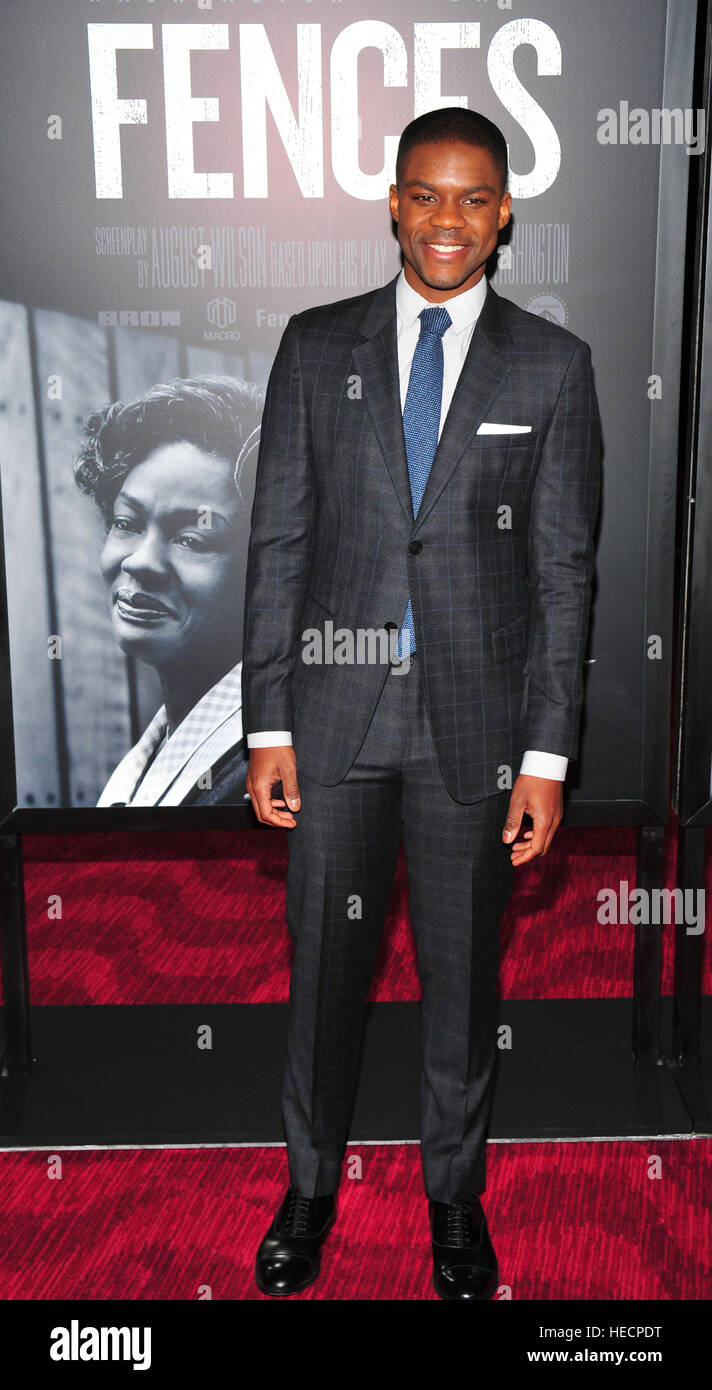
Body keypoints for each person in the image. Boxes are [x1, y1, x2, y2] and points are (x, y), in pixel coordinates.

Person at [241, 108, 602, 1300]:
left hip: (477, 735)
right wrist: (268, 725)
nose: (448, 219)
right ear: (392, 204)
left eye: (473, 198)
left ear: (504, 216)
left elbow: (562, 576)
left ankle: (454, 1198)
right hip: (333, 725)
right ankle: (309, 1188)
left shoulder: (552, 366)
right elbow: (279, 539)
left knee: (462, 982)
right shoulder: (313, 343)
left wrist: (548, 755)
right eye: (426, 195)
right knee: (324, 978)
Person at [73, 376, 262, 807]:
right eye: (127, 522)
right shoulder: (165, 742)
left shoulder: (271, 775)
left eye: (192, 539)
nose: (139, 561)